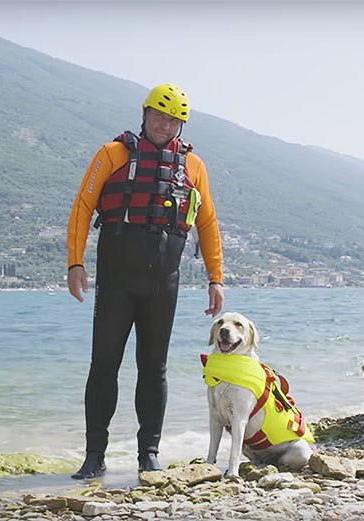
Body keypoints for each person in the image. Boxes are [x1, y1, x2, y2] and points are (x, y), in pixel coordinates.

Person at [66, 83, 224, 478]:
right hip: (116, 281)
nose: (164, 124)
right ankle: (94, 457)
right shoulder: (112, 154)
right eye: (159, 115)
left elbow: (207, 224)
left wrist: (215, 277)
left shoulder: (194, 167)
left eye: (173, 119)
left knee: (154, 368)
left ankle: (148, 454)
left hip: (163, 284)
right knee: (104, 365)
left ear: (181, 125)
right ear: (145, 114)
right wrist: (75, 263)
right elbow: (83, 207)